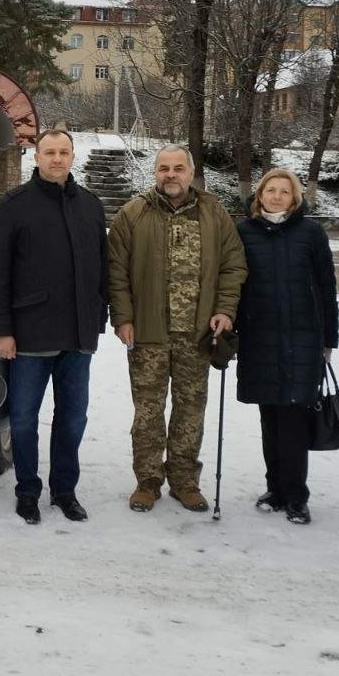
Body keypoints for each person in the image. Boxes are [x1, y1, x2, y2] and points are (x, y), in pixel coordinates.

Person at [108, 144, 247, 512]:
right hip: (148, 333)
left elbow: (233, 266)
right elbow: (116, 272)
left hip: (197, 334)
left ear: (191, 172)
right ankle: (148, 481)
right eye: (164, 168)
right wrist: (123, 318)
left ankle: (184, 481)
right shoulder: (133, 214)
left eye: (178, 168)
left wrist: (224, 310)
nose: (171, 174)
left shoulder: (214, 213)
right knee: (148, 412)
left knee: (190, 411)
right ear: (155, 172)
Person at [0, 128, 108, 525]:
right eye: (49, 152)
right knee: (23, 420)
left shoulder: (90, 205)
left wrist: (98, 316)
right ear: (36, 157)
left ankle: (65, 490)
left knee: (73, 419)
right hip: (30, 333)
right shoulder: (14, 205)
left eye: (64, 152)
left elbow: (102, 269)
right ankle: (27, 491)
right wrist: (1, 329)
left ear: (73, 157)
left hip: (77, 334)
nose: (57, 159)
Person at [234, 168, 338, 525]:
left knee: (294, 418)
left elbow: (326, 287)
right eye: (270, 190)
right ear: (259, 195)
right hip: (259, 337)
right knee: (270, 418)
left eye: (284, 191)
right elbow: (234, 282)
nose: (276, 196)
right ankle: (274, 488)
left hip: (302, 338)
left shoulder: (310, 233)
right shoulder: (244, 232)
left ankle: (296, 495)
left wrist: (328, 339)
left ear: (295, 198)